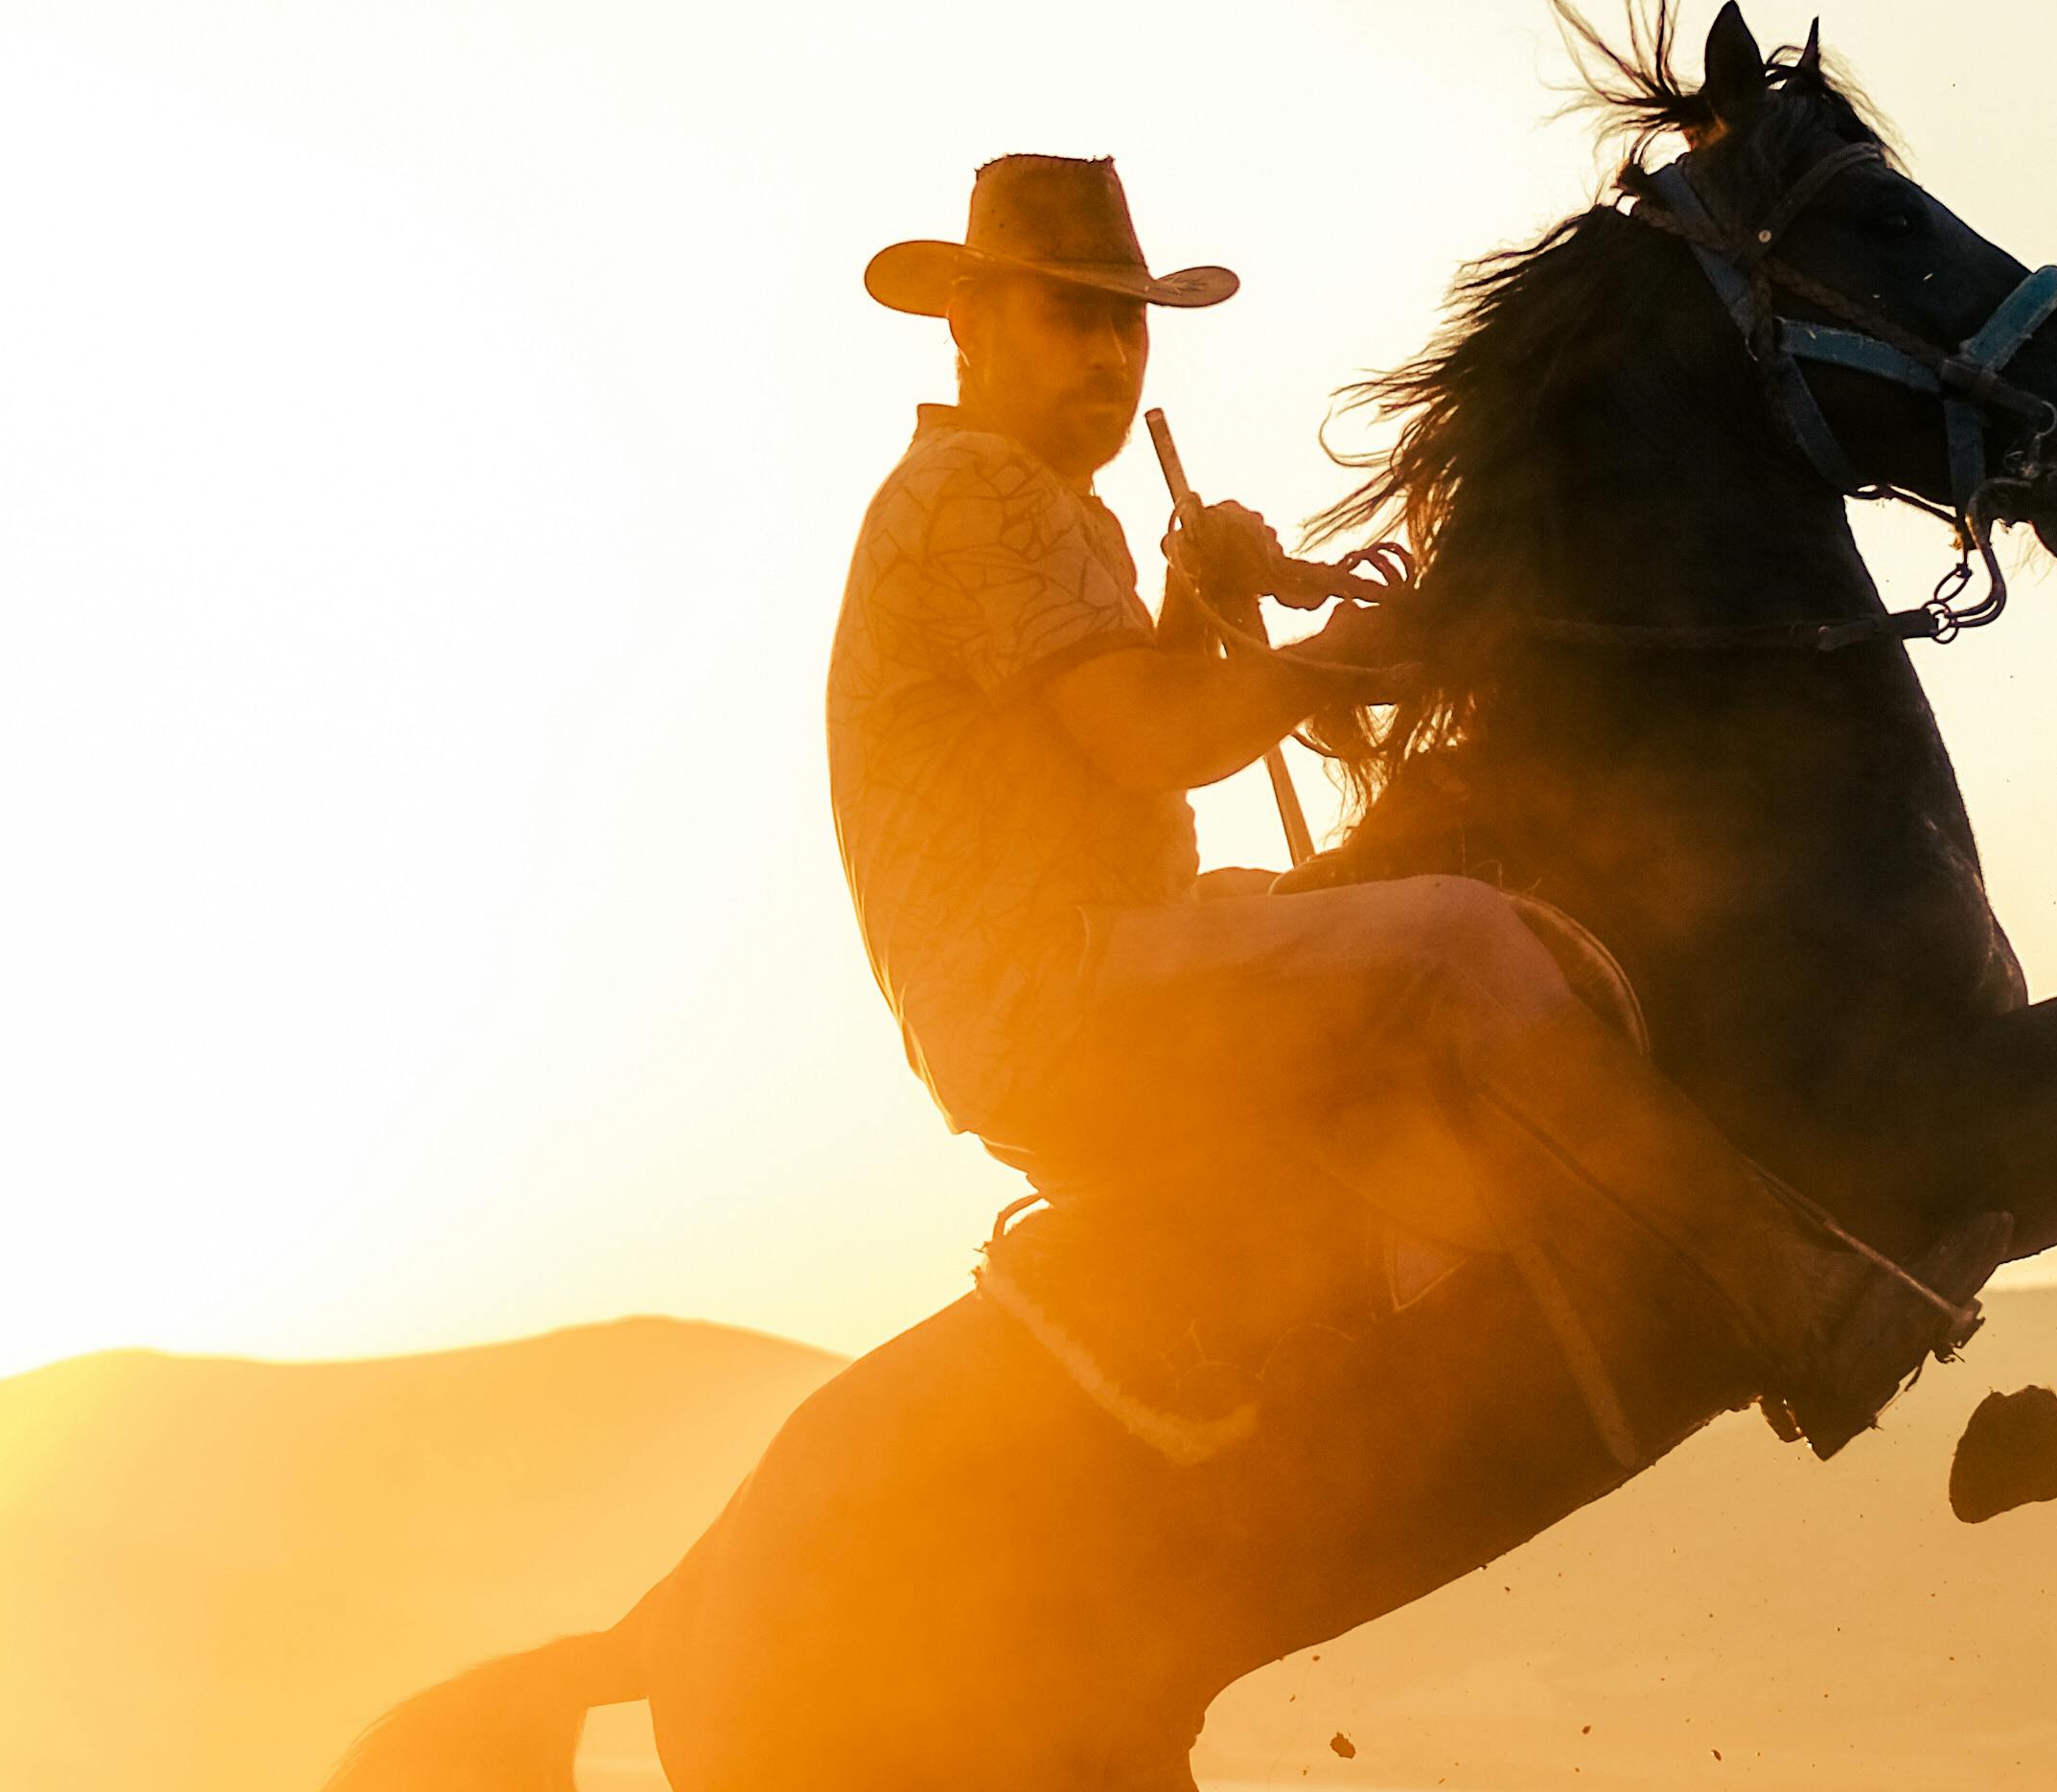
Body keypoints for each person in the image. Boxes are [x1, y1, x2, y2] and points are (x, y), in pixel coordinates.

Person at [824, 149, 1972, 1453]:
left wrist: (1203, 605)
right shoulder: (981, 494)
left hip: (1085, 969)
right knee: (1460, 937)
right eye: (1069, 312)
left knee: (1409, 888)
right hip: (1058, 994)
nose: (1110, 352)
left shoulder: (1048, 507)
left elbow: (1096, 750)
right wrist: (1352, 651)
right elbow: (1147, 742)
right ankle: (1787, 1299)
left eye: (1126, 317)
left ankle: (1398, 1288)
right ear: (970, 322)